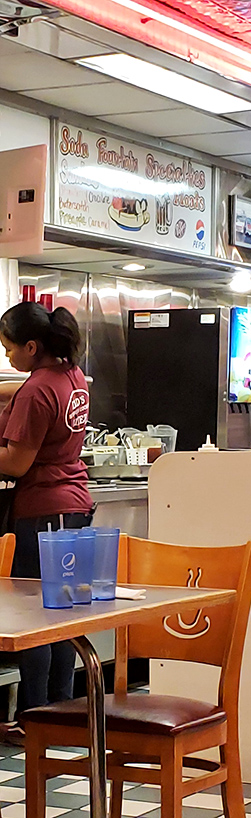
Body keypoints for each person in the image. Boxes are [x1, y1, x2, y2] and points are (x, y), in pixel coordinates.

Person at [0, 302, 93, 743]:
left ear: (31, 346)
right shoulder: (70, 375)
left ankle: (31, 718)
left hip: (42, 511)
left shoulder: (37, 390)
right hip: (72, 507)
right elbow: (27, 394)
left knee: (34, 619)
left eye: (9, 348)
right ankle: (60, 713)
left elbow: (16, 464)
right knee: (61, 615)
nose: (7, 358)